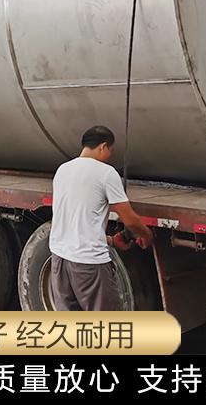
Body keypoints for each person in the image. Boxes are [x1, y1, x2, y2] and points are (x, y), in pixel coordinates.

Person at [49, 125, 153, 311]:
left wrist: (110, 241)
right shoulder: (106, 173)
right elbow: (129, 219)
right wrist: (146, 234)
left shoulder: (62, 170)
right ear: (103, 146)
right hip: (88, 265)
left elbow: (74, 220)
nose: (110, 156)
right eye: (110, 151)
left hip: (59, 260)